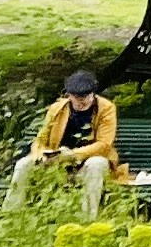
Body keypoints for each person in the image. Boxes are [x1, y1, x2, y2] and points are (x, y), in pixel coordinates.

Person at [8, 65, 123, 213]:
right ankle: (10, 214)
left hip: (87, 162)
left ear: (93, 94)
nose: (83, 101)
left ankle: (87, 218)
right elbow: (41, 139)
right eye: (77, 97)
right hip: (56, 164)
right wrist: (40, 155)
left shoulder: (106, 108)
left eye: (87, 96)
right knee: (23, 164)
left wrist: (73, 155)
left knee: (97, 164)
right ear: (69, 95)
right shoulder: (57, 109)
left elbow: (104, 145)